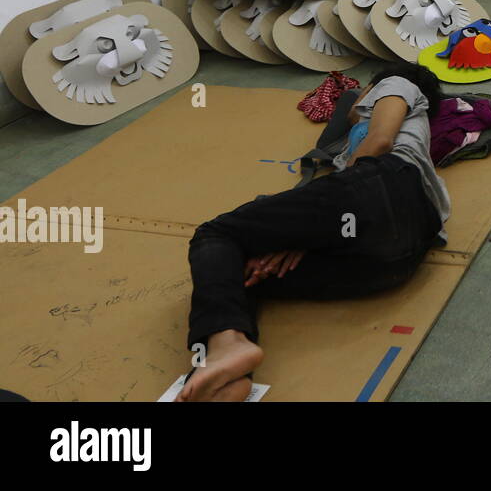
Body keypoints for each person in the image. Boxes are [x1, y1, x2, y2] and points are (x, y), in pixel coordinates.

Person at [177, 63, 450, 402]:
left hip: (387, 185)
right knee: (243, 270)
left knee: (217, 235)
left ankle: (225, 344)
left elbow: (379, 143)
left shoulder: (399, 84)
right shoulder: (360, 143)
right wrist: (314, 233)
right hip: (397, 261)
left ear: (371, 88)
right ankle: (229, 380)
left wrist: (301, 236)